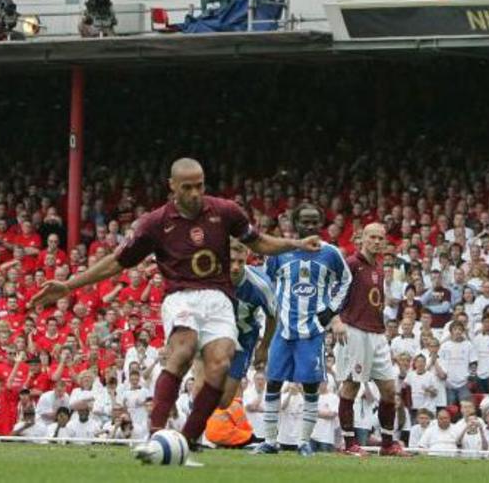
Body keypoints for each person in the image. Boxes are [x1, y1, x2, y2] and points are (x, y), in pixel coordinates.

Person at [31, 158, 321, 458]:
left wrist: (297, 244)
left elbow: (259, 243)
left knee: (220, 365)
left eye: (200, 186)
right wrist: (69, 286)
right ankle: (156, 434)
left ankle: (184, 442)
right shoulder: (154, 223)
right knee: (184, 347)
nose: (195, 193)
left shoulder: (225, 212)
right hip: (181, 295)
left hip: (220, 297)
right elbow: (117, 262)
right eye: (187, 187)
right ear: (172, 187)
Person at [254, 203, 351, 457]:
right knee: (273, 382)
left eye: (314, 222)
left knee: (310, 386)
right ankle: (270, 442)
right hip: (283, 330)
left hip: (312, 332)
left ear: (321, 224)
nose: (309, 226)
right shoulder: (279, 252)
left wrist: (329, 312)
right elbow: (266, 283)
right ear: (294, 224)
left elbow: (346, 280)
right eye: (304, 222)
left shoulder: (330, 253)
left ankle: (304, 442)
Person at [332, 222, 412, 457]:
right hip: (354, 331)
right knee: (351, 385)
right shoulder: (351, 265)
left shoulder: (378, 266)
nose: (377, 242)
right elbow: (332, 294)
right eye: (372, 237)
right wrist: (335, 320)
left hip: (377, 334)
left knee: (388, 389)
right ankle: (349, 445)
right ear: (362, 238)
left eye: (381, 238)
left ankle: (387, 444)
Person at [219, 239, 277, 409]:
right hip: (216, 334)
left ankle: (228, 428)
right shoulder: (210, 277)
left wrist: (264, 347)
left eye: (240, 262)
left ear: (247, 257)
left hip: (243, 338)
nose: (235, 267)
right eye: (231, 261)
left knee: (225, 400)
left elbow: (273, 317)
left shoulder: (261, 285)